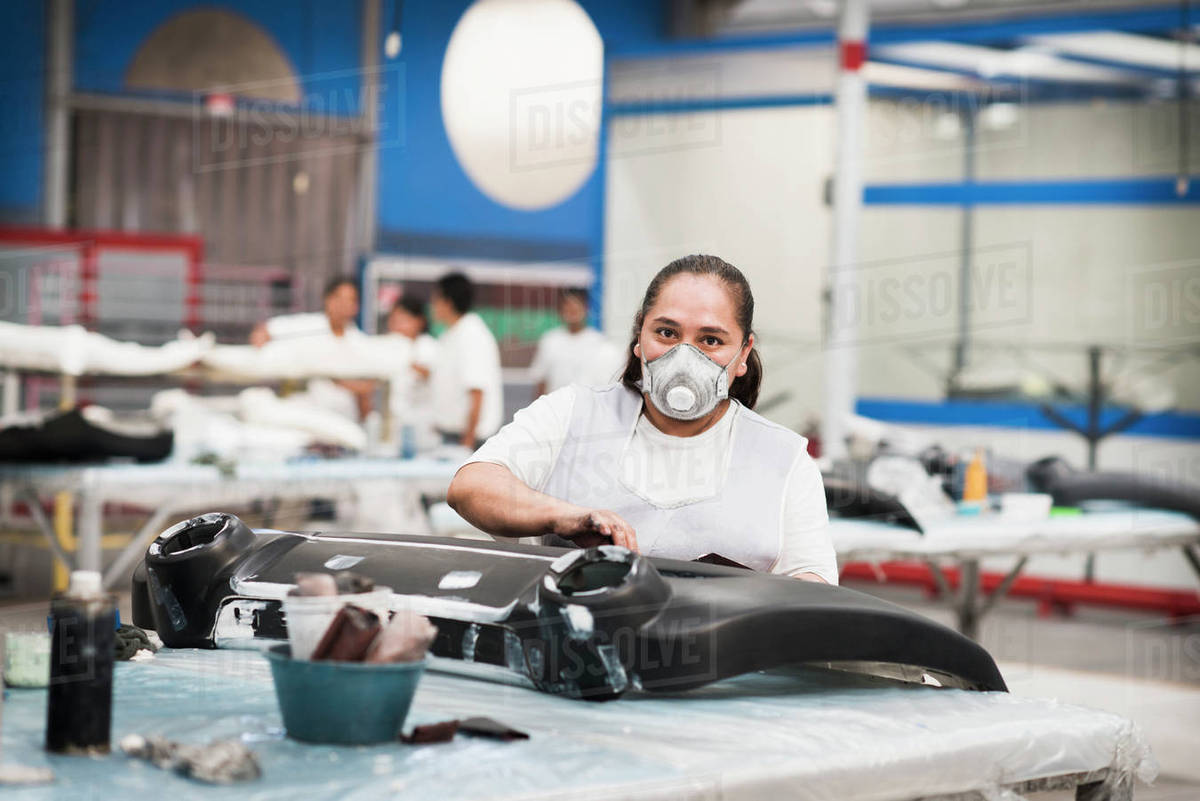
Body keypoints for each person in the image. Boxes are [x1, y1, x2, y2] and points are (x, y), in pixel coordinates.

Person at [447, 255, 836, 583]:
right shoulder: (572, 413)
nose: (684, 357)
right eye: (666, 333)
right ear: (639, 336)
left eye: (711, 340)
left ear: (744, 353)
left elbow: (813, 590)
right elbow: (471, 487)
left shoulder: (783, 460)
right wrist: (565, 516)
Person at [249, 276, 376, 421]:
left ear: (356, 306)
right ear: (327, 299)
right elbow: (264, 331)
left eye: (350, 300)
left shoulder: (360, 342)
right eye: (339, 298)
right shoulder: (308, 326)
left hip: (344, 422)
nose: (343, 305)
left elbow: (367, 390)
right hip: (306, 417)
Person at [429, 272, 503, 449]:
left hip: (470, 441)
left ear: (448, 302)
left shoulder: (472, 335)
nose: (432, 306)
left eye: (435, 300)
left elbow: (477, 391)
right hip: (451, 436)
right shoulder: (450, 335)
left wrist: (467, 443)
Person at [530, 288, 624, 397]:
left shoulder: (600, 343)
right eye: (567, 305)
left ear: (586, 308)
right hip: (556, 409)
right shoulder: (550, 340)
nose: (572, 310)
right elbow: (541, 380)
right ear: (560, 310)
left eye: (576, 305)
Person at [385, 295, 438, 450]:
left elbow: (434, 375)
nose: (397, 325)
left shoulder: (429, 347)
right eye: (393, 320)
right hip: (395, 429)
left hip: (423, 431)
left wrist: (408, 363)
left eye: (403, 319)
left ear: (419, 321)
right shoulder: (391, 347)